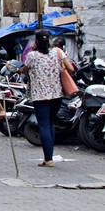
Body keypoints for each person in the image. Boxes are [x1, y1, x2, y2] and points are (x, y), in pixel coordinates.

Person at [22, 31, 72, 167]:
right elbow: (70, 68)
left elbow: (25, 70)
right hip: (56, 94)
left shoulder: (32, 56)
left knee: (44, 125)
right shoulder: (57, 52)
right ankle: (48, 157)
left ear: (36, 41)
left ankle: (48, 159)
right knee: (50, 124)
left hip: (40, 96)